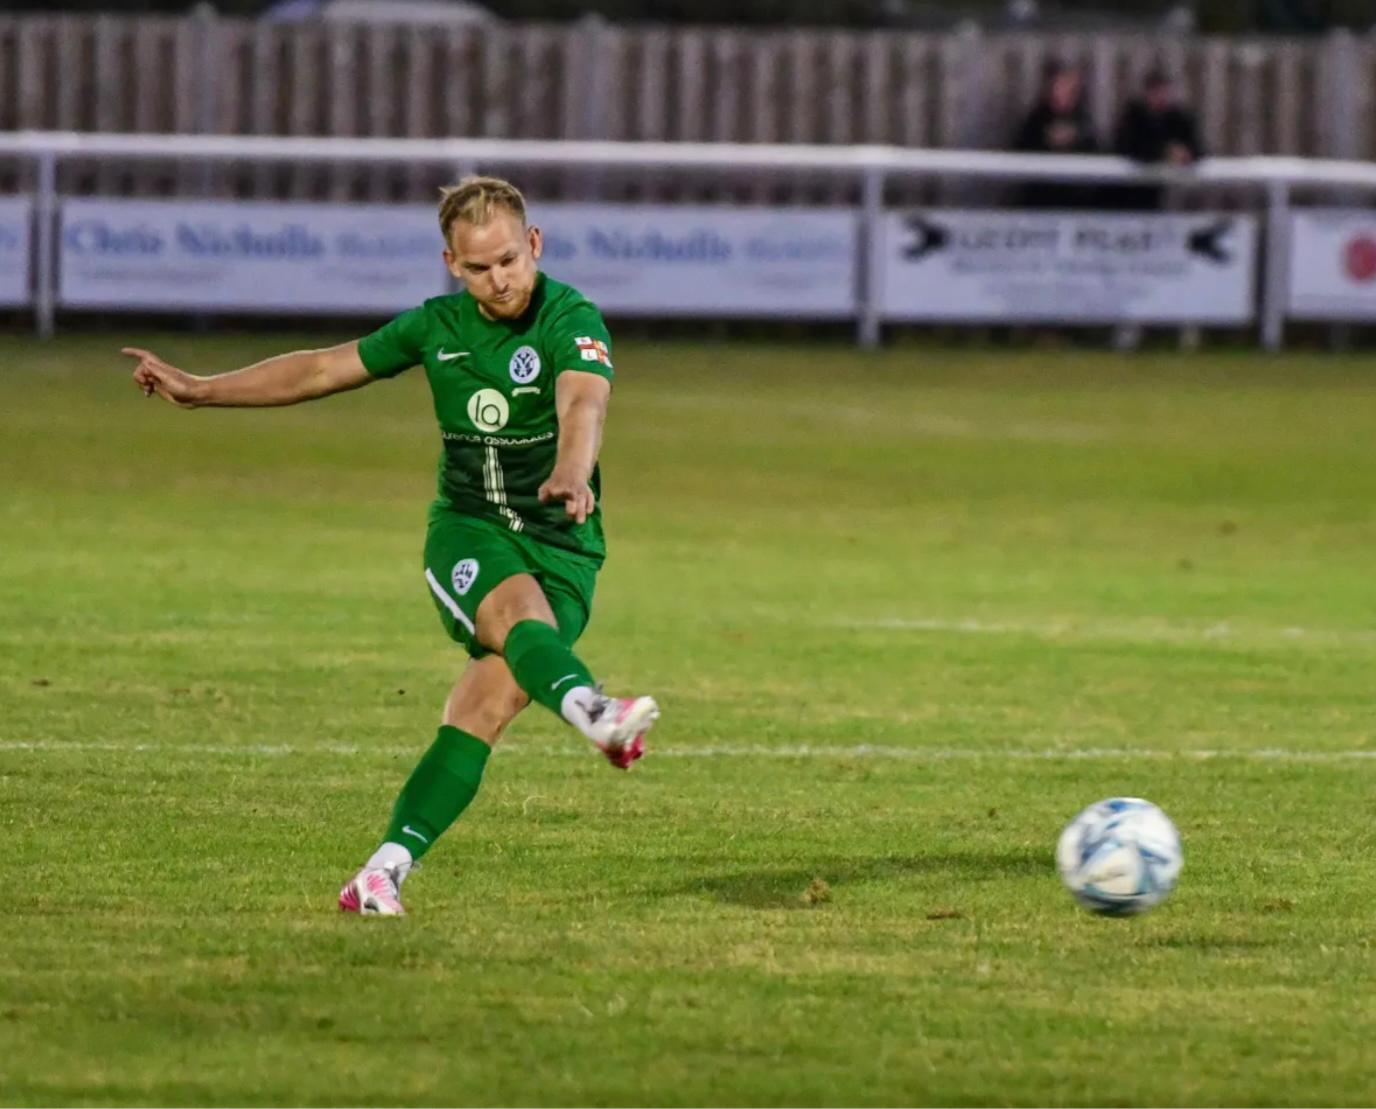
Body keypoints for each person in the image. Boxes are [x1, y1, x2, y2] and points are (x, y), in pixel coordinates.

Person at [123, 176, 660, 917]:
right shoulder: (435, 328)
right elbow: (322, 367)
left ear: (534, 244)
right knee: (517, 614)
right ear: (451, 264)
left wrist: (572, 470)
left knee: (484, 707)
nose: (499, 280)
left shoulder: (571, 317)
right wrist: (202, 389)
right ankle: (592, 709)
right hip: (470, 530)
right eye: (479, 267)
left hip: (563, 543)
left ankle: (381, 873)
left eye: (509, 259)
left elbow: (582, 399)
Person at [1109, 68, 1205, 211]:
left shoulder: (1178, 118)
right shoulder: (1133, 116)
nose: (1161, 97)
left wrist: (1187, 153)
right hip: (1125, 191)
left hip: (1157, 194)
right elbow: (1128, 147)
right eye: (1156, 92)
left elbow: (1199, 148)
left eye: (1164, 92)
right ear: (1147, 93)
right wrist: (1164, 152)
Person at [1011, 59, 1100, 209]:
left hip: (1075, 203)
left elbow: (1095, 151)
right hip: (1039, 201)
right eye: (1059, 87)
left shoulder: (1083, 120)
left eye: (1070, 89)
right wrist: (1047, 141)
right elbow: (1020, 151)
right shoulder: (1037, 118)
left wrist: (1075, 140)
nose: (1064, 93)